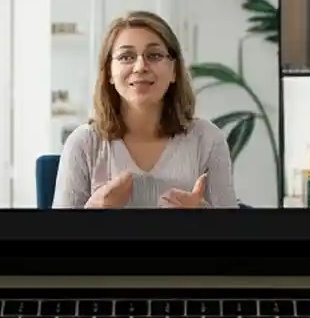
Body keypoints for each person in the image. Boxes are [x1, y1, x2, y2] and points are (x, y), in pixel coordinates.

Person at [53, 11, 239, 209]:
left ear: (174, 70)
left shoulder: (208, 140)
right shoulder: (83, 144)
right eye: (126, 57)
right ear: (109, 72)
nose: (140, 67)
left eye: (155, 55)